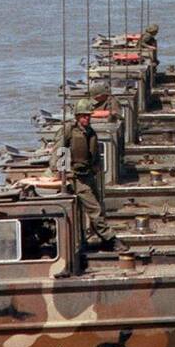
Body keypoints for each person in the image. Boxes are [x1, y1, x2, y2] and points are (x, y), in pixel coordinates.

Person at [55, 100, 120, 252]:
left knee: (99, 208)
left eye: (88, 116)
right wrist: (63, 174)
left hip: (88, 175)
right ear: (77, 116)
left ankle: (103, 240)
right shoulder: (69, 131)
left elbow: (94, 155)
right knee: (94, 209)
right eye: (84, 116)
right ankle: (111, 238)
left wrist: (95, 169)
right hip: (75, 177)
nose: (87, 118)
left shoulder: (90, 132)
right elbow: (59, 152)